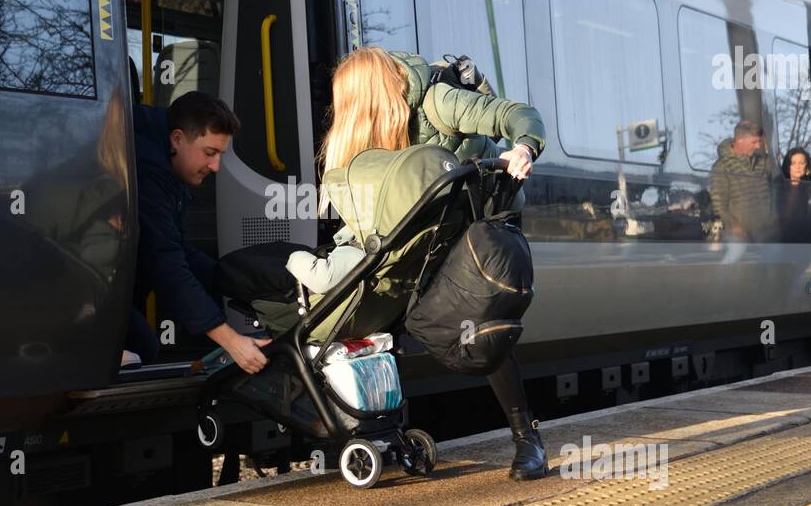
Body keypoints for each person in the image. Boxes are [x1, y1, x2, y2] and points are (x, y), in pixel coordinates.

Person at [317, 46, 550, 480]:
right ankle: (382, 434)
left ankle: (527, 438)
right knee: (383, 308)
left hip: (475, 219)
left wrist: (523, 148)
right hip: (426, 228)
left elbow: (517, 114)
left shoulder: (437, 102)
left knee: (478, 320)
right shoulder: (370, 134)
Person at [128, 91, 271, 373]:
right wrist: (231, 341)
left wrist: (240, 285)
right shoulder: (146, 170)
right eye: (210, 153)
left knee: (140, 345)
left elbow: (178, 247)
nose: (215, 167)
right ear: (177, 139)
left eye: (220, 155)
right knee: (139, 346)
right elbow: (165, 262)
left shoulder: (169, 163)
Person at [710, 120, 779, 241]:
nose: (758, 146)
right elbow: (719, 205)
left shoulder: (762, 162)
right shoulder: (721, 167)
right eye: (754, 142)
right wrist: (734, 226)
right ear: (740, 141)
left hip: (766, 233)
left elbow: (778, 183)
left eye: (759, 142)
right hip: (738, 236)